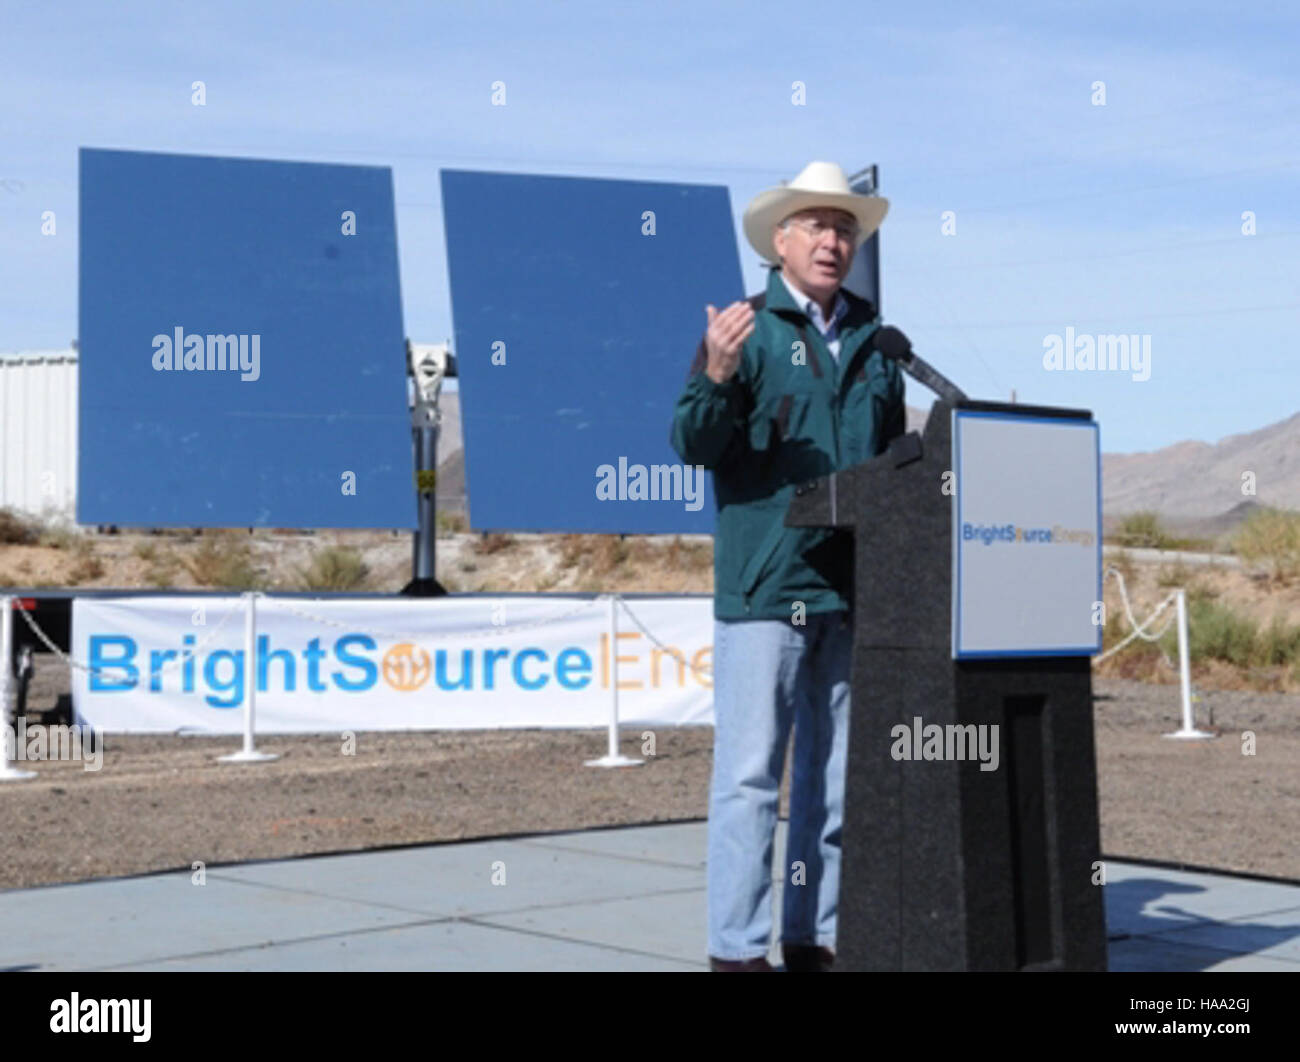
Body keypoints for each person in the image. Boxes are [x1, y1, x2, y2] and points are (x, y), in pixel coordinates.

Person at [669, 161, 906, 972]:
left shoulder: (877, 345)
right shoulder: (744, 330)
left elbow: (890, 465)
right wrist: (716, 375)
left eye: (844, 228)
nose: (833, 241)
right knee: (749, 780)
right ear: (781, 242)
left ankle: (818, 939)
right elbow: (693, 445)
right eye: (816, 226)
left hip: (847, 588)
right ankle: (738, 953)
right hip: (767, 591)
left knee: (835, 783)